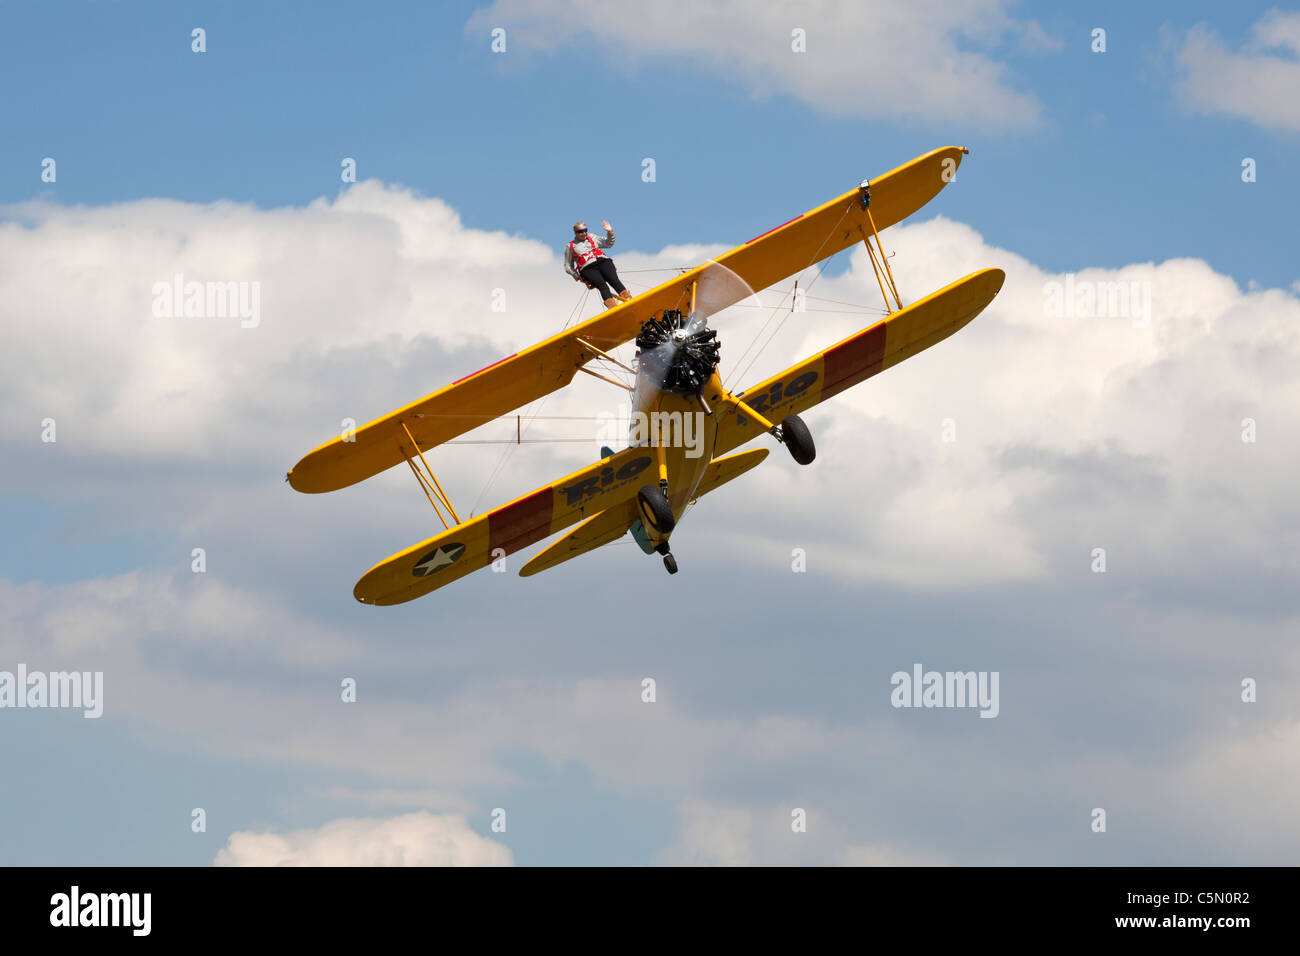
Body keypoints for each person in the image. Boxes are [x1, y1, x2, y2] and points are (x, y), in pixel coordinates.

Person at [565, 220, 632, 309]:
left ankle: (628, 299)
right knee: (602, 285)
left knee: (614, 280)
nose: (584, 233)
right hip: (587, 268)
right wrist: (577, 276)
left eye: (585, 230)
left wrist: (610, 232)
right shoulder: (570, 246)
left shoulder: (592, 237)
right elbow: (568, 266)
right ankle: (613, 307)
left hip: (602, 261)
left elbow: (608, 243)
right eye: (581, 232)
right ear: (575, 233)